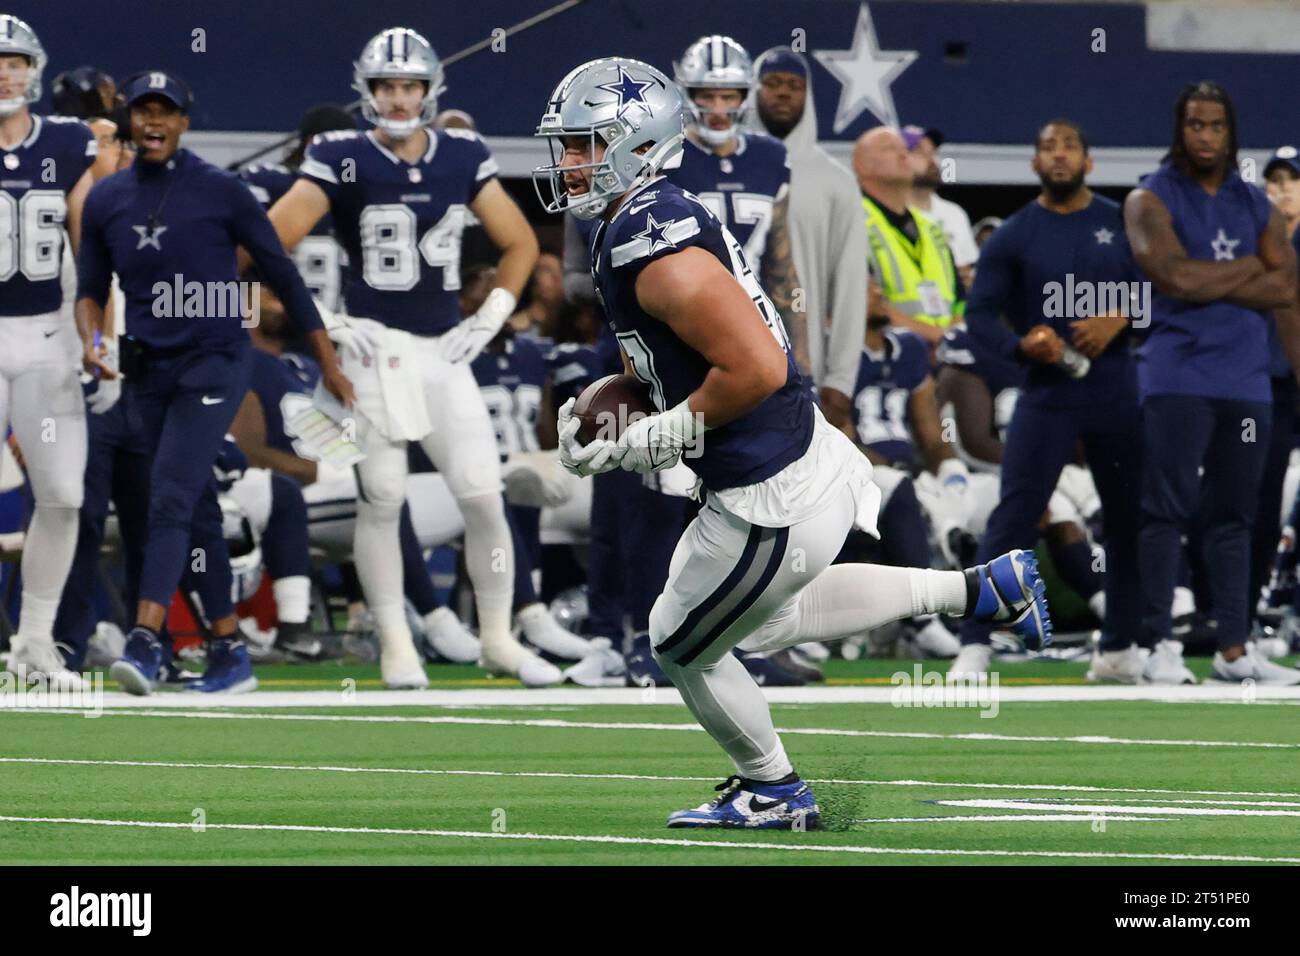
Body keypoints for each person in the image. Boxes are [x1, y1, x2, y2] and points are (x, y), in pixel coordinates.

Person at [533, 56, 1050, 829]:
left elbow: (756, 367)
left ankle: (773, 789)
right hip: (794, 464)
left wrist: (657, 437)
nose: (568, 162)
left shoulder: (650, 245)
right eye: (567, 145)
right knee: (763, 622)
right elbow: (698, 356)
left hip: (767, 490)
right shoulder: (643, 218)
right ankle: (979, 589)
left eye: (584, 144)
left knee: (679, 643)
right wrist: (618, 406)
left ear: (637, 145)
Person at [265, 27, 559, 688]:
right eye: (387, 87)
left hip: (444, 352)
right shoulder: (341, 154)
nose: (399, 100)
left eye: (409, 86)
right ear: (366, 92)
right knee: (384, 495)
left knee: (483, 493)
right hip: (376, 350)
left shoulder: (460, 152)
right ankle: (398, 642)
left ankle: (497, 639)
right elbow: (269, 240)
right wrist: (326, 317)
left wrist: (490, 315)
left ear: (431, 89)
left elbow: (517, 243)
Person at [76, 70, 352, 695]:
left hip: (213, 359)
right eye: (142, 110)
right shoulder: (106, 199)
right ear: (130, 122)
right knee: (195, 509)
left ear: (183, 121)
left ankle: (145, 639)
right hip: (146, 366)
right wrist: (92, 339)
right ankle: (229, 651)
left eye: (165, 111)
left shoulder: (221, 191)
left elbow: (281, 273)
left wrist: (327, 360)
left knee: (168, 497)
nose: (152, 121)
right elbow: (90, 290)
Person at [952, 118, 1149, 681]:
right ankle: (975, 644)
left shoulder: (1123, 221)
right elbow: (978, 318)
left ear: (1090, 161)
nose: (1058, 155)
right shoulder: (1016, 232)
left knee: (1128, 515)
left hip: (1114, 386)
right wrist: (1022, 344)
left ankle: (1121, 645)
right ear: (1034, 163)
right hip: (1047, 390)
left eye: (1069, 147)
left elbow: (1165, 289)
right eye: (1047, 147)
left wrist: (1122, 316)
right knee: (1012, 515)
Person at [1124, 81, 1300, 685]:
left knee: (1236, 516)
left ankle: (1233, 648)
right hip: (1176, 378)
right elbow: (1174, 279)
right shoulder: (1149, 198)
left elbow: (1286, 290)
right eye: (1195, 125)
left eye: (1216, 126)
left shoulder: (1255, 203)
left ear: (1231, 132)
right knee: (1164, 512)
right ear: (1180, 129)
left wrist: (1216, 276)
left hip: (1247, 383)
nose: (1205, 136)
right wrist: (1254, 264)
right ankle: (1157, 647)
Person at [0, 17, 98, 689]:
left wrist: (99, 335)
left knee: (62, 494)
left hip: (45, 332)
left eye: (12, 63)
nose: (3, 76)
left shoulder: (66, 141)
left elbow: (96, 247)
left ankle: (34, 645)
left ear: (33, 69)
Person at [749, 46, 865, 434]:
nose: (783, 93)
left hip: (803, 369)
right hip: (725, 358)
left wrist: (840, 380)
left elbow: (850, 287)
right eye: (773, 84)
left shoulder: (836, 180)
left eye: (794, 85)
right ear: (754, 90)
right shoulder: (721, 170)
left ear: (807, 95)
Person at [240, 104, 355, 313]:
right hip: (279, 325)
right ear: (312, 143)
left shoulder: (358, 190)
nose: (350, 157)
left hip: (346, 328)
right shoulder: (273, 183)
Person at [853, 126, 963, 343]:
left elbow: (960, 300)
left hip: (945, 356)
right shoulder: (850, 223)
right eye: (889, 149)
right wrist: (937, 337)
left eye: (905, 149)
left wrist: (953, 337)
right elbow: (864, 303)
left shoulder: (932, 227)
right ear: (861, 164)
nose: (903, 155)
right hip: (885, 353)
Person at [902, 125, 979, 288]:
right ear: (900, 160)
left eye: (934, 153)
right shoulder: (892, 214)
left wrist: (967, 279)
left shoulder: (954, 214)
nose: (932, 161)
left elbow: (968, 270)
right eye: (920, 153)